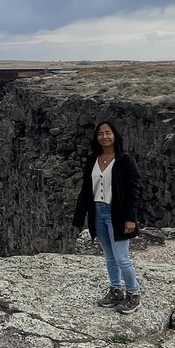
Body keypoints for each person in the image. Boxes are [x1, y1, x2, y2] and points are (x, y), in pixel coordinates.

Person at [72, 120, 143, 312]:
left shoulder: (125, 160)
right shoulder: (92, 160)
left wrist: (130, 218)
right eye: (100, 133)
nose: (104, 136)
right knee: (109, 256)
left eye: (108, 132)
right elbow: (86, 190)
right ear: (97, 137)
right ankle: (116, 290)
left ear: (115, 135)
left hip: (117, 213)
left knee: (122, 258)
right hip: (98, 212)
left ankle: (134, 293)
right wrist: (79, 218)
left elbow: (134, 190)